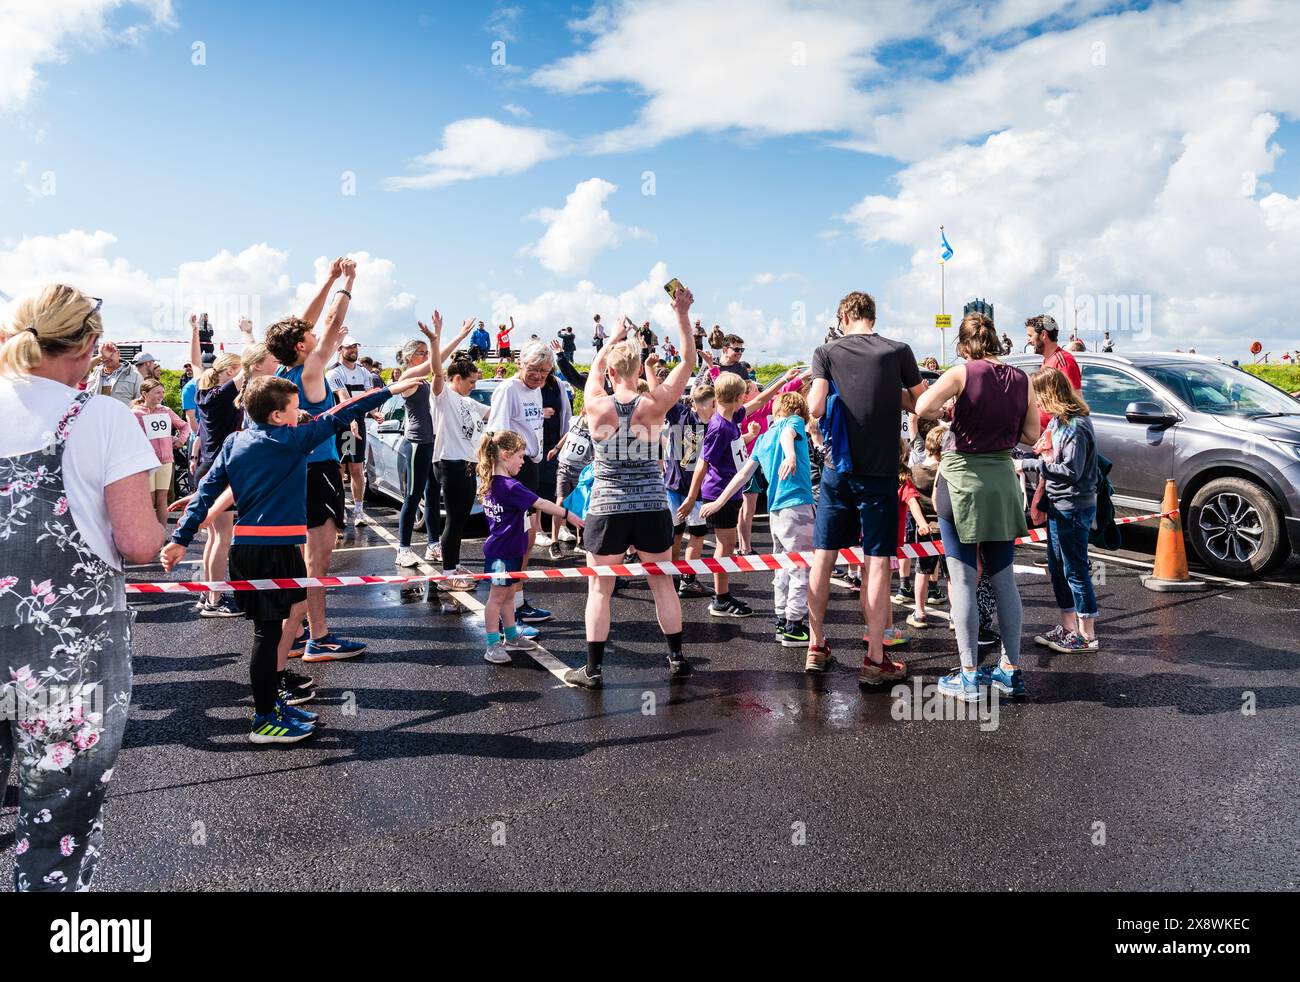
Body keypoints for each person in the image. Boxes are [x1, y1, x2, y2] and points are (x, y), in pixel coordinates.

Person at [0, 284, 164, 891]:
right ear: (90, 346)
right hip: (67, 665)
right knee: (55, 829)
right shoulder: (99, 417)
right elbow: (140, 541)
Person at [161, 373, 422, 744]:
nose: (301, 411)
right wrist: (391, 390)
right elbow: (342, 411)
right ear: (278, 415)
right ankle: (264, 719)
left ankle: (271, 703)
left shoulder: (236, 442)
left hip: (263, 551)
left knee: (285, 618)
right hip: (267, 552)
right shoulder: (294, 440)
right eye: (294, 406)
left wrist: (179, 539)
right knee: (267, 634)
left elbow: (205, 493)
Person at [562, 287, 698, 689]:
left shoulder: (596, 404)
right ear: (638, 369)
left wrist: (612, 338)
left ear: (610, 372)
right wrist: (682, 314)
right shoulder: (654, 403)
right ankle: (675, 660)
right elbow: (689, 360)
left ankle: (593, 670)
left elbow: (593, 373)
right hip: (652, 505)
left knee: (600, 589)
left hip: (607, 508)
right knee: (662, 583)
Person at [916, 311, 1039, 702]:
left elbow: (921, 408)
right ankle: (1010, 671)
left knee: (964, 580)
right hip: (1002, 482)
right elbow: (1033, 433)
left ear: (964, 344)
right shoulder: (1022, 379)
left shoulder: (961, 373)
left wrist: (953, 414)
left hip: (961, 483)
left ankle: (969, 675)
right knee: (1004, 580)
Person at [805, 291, 926, 680]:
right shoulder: (898, 351)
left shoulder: (826, 351)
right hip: (880, 472)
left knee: (823, 557)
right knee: (876, 562)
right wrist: (891, 395)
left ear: (844, 316)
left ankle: (816, 643)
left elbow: (816, 406)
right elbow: (923, 404)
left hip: (837, 469)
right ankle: (875, 658)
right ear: (873, 316)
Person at [266, 256, 368, 661]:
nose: (313, 336)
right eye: (305, 337)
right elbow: (325, 326)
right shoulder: (309, 373)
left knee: (301, 558)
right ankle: (317, 638)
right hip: (319, 470)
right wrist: (348, 282)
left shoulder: (277, 372)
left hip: (291, 470)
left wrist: (326, 278)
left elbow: (302, 326)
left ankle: (297, 633)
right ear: (300, 346)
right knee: (318, 560)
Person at [677, 367, 801, 618]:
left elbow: (759, 401)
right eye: (742, 396)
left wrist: (784, 381)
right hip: (718, 492)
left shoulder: (731, 417)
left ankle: (722, 595)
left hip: (730, 490)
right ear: (735, 399)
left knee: (728, 543)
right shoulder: (719, 426)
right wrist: (691, 498)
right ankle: (720, 598)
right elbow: (703, 462)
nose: (746, 400)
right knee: (724, 545)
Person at [701, 391, 816, 648]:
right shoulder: (792, 421)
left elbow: (742, 475)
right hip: (796, 504)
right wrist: (790, 455)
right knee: (800, 566)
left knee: (782, 566)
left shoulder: (763, 438)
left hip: (775, 510)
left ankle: (781, 619)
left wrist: (720, 501)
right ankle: (795, 626)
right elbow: (789, 435)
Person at [476, 431, 582, 665]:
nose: (523, 462)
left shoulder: (495, 482)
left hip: (509, 550)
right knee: (496, 598)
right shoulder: (510, 486)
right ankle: (492, 644)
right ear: (505, 455)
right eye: (520, 457)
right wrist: (568, 515)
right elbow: (541, 503)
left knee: (509, 594)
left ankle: (512, 636)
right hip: (502, 552)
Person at [1019, 367, 1100, 653]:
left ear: (1050, 394)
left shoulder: (1077, 425)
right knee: (1057, 568)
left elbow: (1071, 470)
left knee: (1075, 570)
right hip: (1059, 504)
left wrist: (1027, 464)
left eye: (1037, 396)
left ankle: (1087, 635)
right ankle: (1068, 627)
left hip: (1074, 507)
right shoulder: (1058, 422)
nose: (1035, 403)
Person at [391, 314, 475, 568]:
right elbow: (433, 364)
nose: (425, 355)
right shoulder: (406, 378)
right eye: (420, 352)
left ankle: (433, 544)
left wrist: (457, 337)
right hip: (416, 443)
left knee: (432, 493)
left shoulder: (426, 378)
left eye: (426, 351)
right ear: (408, 358)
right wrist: (445, 339)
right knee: (412, 496)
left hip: (433, 444)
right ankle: (403, 548)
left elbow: (436, 364)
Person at [486, 339, 557, 625]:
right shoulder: (508, 389)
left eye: (545, 371)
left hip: (531, 466)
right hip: (514, 471)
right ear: (520, 364)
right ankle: (509, 610)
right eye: (534, 369)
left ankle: (518, 603)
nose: (539, 376)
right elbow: (497, 434)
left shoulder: (536, 390)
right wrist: (502, 476)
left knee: (527, 541)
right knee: (517, 542)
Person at [192, 351, 245, 617]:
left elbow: (194, 364)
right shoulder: (221, 395)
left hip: (207, 468)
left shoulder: (205, 394)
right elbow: (248, 368)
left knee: (214, 537)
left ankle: (208, 594)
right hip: (217, 470)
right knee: (222, 537)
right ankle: (215, 600)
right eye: (237, 372)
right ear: (227, 373)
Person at [431, 349, 489, 590]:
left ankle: (453, 565)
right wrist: (435, 341)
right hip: (451, 463)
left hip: (467, 463)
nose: (473, 386)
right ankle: (448, 574)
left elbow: (493, 412)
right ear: (456, 378)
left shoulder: (468, 401)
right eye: (471, 382)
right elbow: (436, 371)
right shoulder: (444, 396)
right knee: (454, 521)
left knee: (461, 520)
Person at [663, 381, 713, 598]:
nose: (715, 409)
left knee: (682, 532)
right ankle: (686, 579)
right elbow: (664, 393)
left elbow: (663, 393)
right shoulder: (706, 424)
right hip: (691, 488)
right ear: (700, 405)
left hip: (676, 483)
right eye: (713, 405)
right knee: (690, 533)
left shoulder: (681, 414)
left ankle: (677, 576)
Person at [326, 334, 378, 527]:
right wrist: (351, 420)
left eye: (355, 346)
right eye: (349, 347)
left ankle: (358, 510)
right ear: (340, 349)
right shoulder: (334, 372)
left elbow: (368, 396)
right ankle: (339, 509)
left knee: (357, 467)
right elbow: (343, 397)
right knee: (339, 468)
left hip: (358, 422)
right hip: (342, 423)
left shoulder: (364, 372)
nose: (353, 350)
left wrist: (374, 412)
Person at [131, 378, 190, 525]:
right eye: (157, 392)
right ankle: (149, 534)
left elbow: (184, 426)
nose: (161, 395)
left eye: (162, 392)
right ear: (144, 393)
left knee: (162, 498)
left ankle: (162, 535)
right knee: (149, 499)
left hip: (166, 459)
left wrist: (180, 440)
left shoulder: (166, 411)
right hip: (146, 462)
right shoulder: (135, 413)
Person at [85, 340, 142, 406]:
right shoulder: (94, 372)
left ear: (118, 353)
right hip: (97, 415)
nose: (107, 357)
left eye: (111, 354)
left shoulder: (134, 373)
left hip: (122, 415)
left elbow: (140, 401)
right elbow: (79, 371)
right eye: (104, 354)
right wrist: (100, 357)